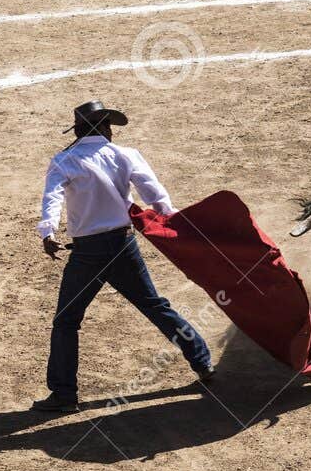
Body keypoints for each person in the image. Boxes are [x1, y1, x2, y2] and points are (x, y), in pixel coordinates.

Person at [33, 101, 214, 414]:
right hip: (123, 245)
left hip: (88, 253)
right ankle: (202, 362)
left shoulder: (65, 161)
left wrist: (48, 233)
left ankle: (64, 394)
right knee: (155, 305)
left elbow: (53, 199)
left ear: (77, 130)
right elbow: (156, 196)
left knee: (66, 321)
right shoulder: (126, 155)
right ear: (104, 128)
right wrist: (174, 222)